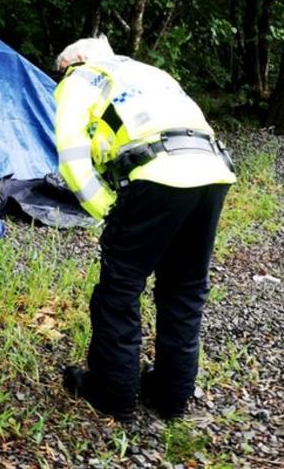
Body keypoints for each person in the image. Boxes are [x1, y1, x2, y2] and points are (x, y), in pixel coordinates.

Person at [52, 36, 235, 423]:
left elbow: (70, 152)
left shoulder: (81, 78)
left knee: (119, 290)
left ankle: (112, 394)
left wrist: (107, 209)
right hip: (213, 172)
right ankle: (172, 396)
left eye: (62, 69)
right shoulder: (150, 73)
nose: (61, 78)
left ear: (77, 60)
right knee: (184, 290)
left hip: (155, 174)